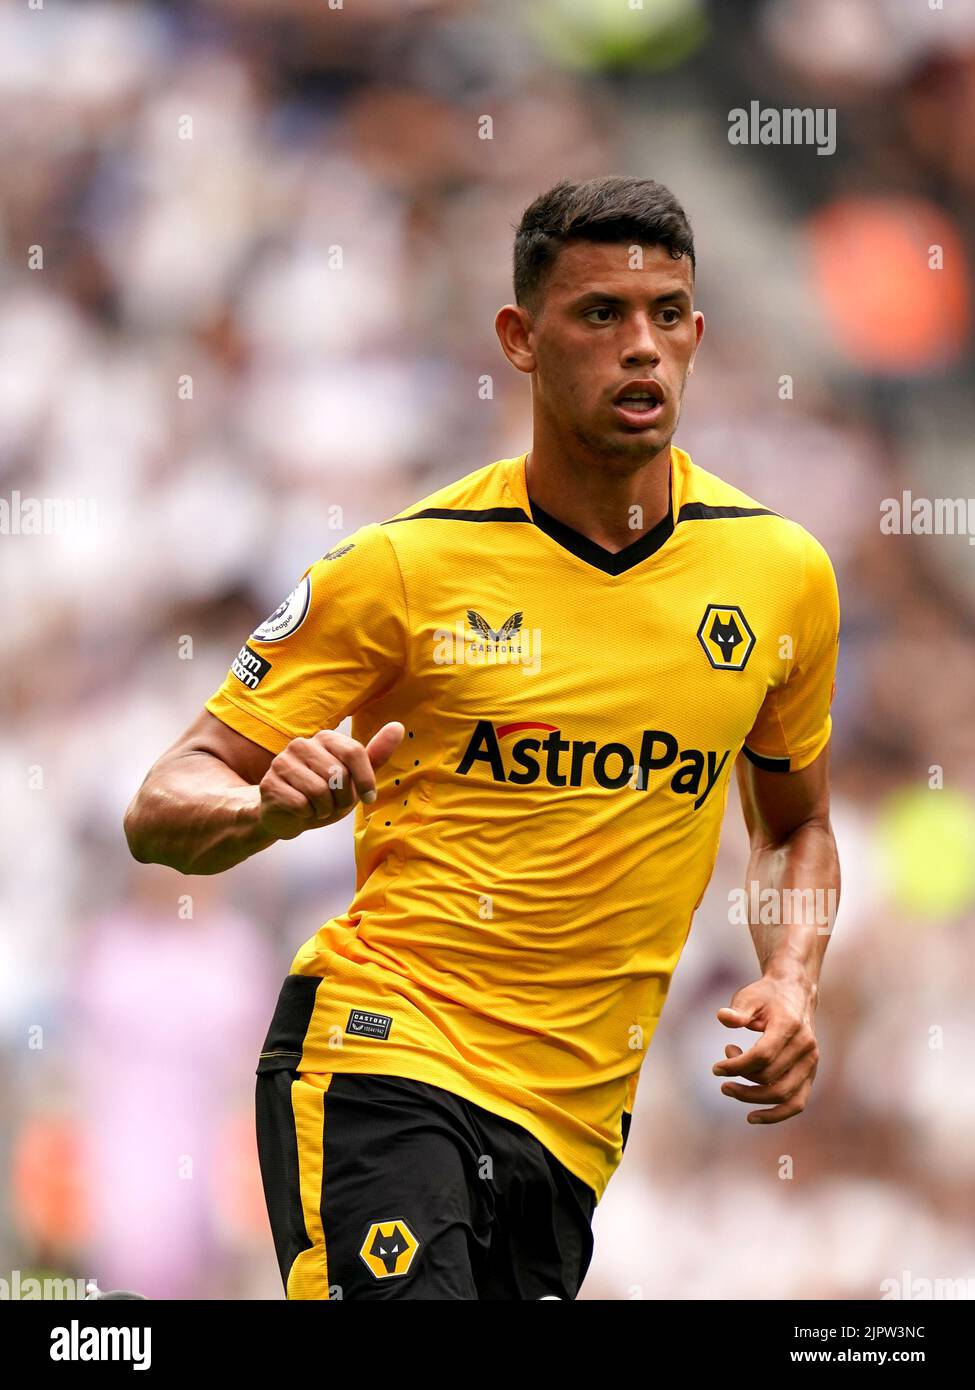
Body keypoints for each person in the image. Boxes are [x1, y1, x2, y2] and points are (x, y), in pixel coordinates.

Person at [124, 176, 841, 1301]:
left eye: (665, 315)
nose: (641, 346)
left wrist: (791, 978)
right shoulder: (404, 567)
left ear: (697, 336)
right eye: (600, 313)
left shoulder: (781, 576)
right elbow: (161, 804)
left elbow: (794, 827)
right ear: (520, 337)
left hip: (571, 1131)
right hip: (383, 1054)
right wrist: (262, 809)